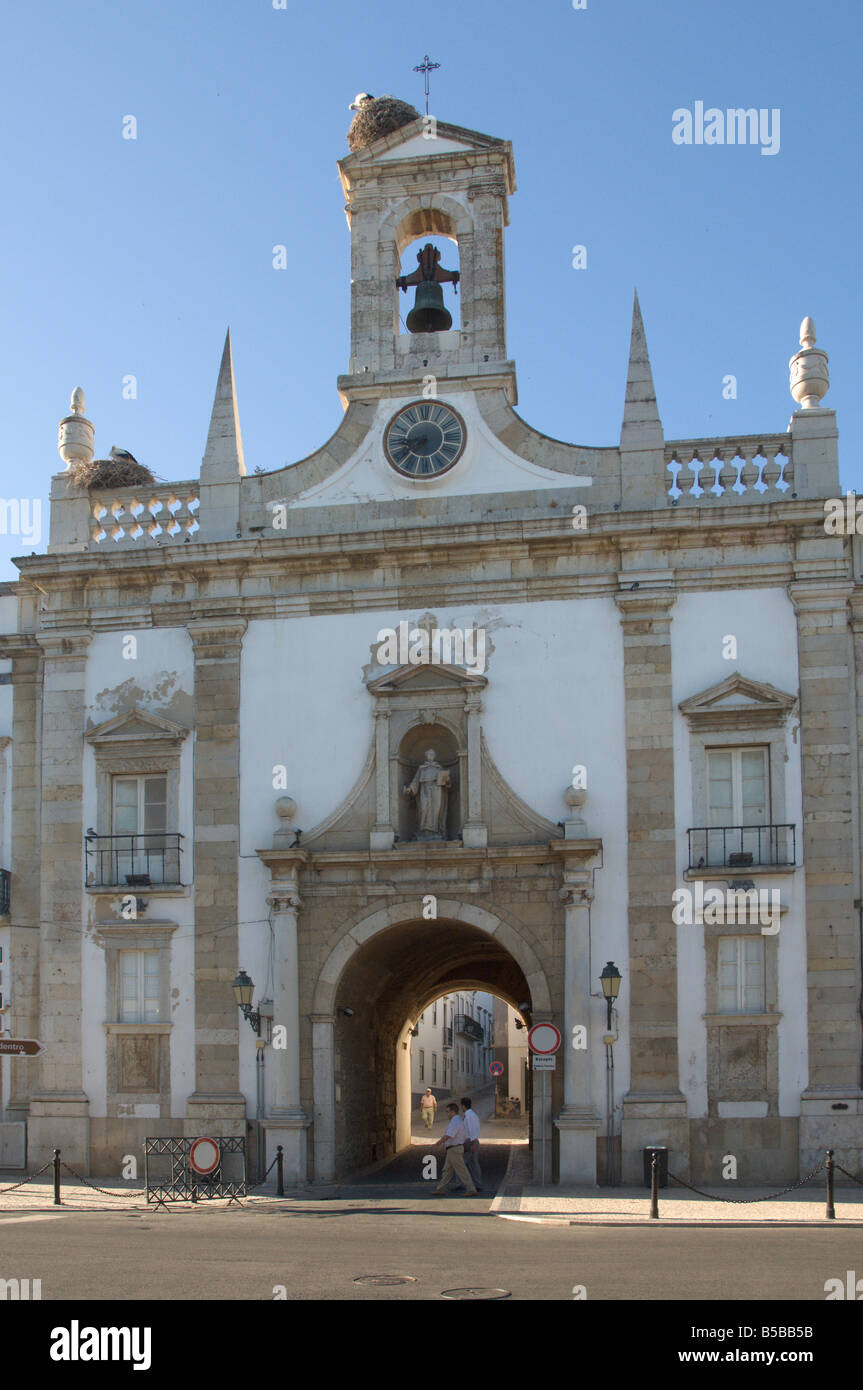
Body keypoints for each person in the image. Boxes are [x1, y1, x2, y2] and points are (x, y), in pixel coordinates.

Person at [432, 1102, 478, 1197]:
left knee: (461, 1170)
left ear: (453, 1112)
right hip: (452, 1149)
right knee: (447, 1170)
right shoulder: (457, 1121)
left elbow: (449, 1135)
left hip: (454, 1149)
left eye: (448, 1111)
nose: (447, 1114)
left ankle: (471, 1189)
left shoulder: (455, 1122)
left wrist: (438, 1143)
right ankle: (440, 1189)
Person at [460, 1096, 483, 1192]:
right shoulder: (474, 1115)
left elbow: (472, 1130)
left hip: (470, 1142)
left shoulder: (468, 1117)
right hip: (473, 1141)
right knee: (473, 1164)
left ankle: (461, 1184)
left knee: (461, 1163)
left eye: (461, 1106)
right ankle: (477, 1184)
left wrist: (472, 1144)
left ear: (463, 1106)